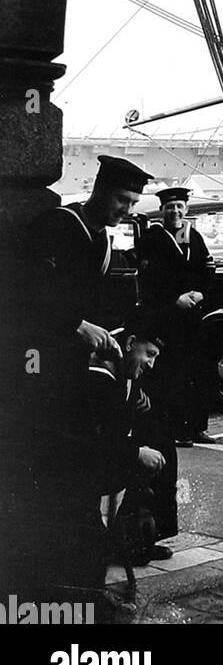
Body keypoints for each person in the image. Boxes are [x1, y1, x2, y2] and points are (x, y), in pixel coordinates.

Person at [1, 155, 152, 609]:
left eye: (132, 202)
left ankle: (80, 584)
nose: (126, 210)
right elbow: (24, 291)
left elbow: (95, 301)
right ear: (101, 191)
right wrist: (77, 326)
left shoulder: (103, 239)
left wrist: (114, 339)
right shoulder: (58, 225)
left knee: (75, 473)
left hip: (68, 368)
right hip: (33, 364)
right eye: (122, 200)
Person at [88, 311, 179, 568]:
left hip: (106, 453)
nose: (151, 364)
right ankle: (114, 541)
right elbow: (95, 438)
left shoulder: (126, 371)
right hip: (80, 462)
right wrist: (137, 452)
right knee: (145, 457)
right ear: (130, 344)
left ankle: (137, 538)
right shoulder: (99, 374)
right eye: (148, 354)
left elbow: (137, 414)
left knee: (163, 446)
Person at [136, 187, 215, 445]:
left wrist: (201, 293)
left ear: (187, 209)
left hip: (193, 317)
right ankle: (177, 430)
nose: (175, 211)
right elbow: (150, 280)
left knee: (198, 370)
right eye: (170, 207)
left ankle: (197, 427)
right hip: (168, 318)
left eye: (180, 206)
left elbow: (207, 270)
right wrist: (174, 300)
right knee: (173, 374)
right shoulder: (152, 238)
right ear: (163, 210)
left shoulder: (195, 237)